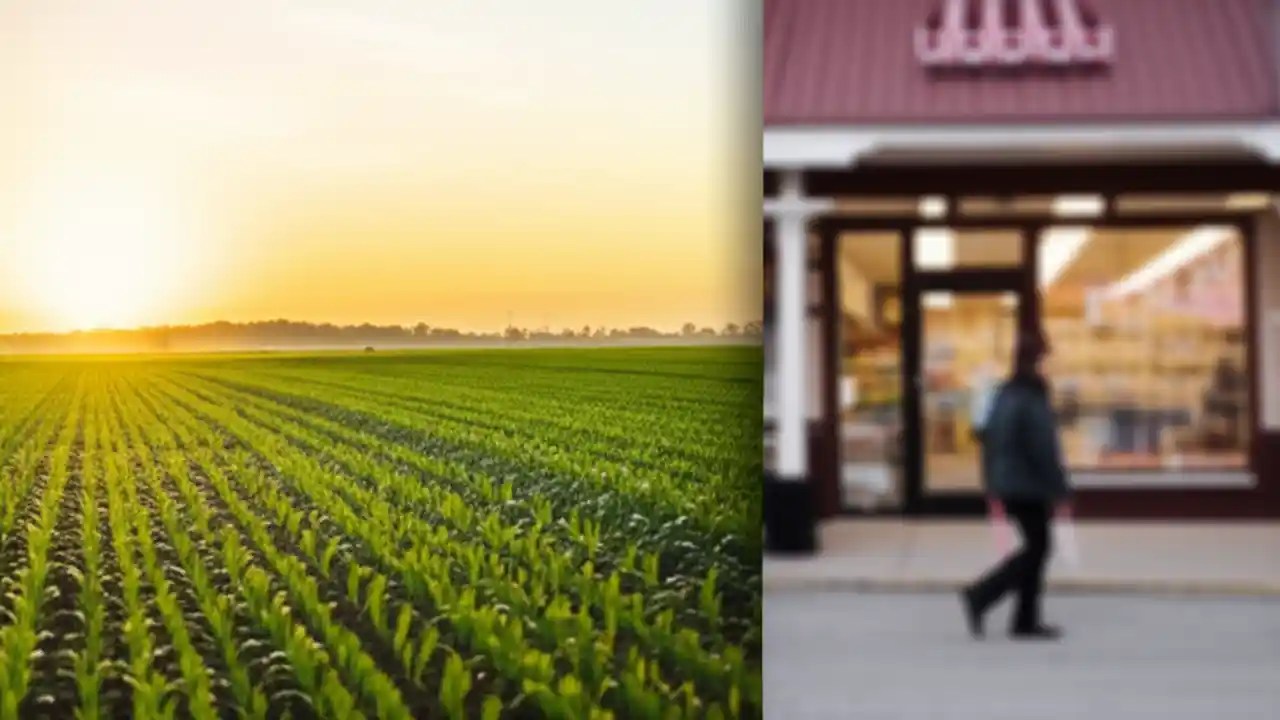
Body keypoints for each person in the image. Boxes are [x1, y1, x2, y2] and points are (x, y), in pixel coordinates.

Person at [959, 329, 1071, 641]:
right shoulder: (1031, 395)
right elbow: (1042, 447)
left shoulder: (1005, 392)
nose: (1049, 365)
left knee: (1037, 548)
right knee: (1038, 548)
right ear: (1037, 360)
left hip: (1009, 481)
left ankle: (1023, 619)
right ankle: (982, 595)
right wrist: (1059, 486)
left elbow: (985, 434)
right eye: (1045, 358)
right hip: (1026, 484)